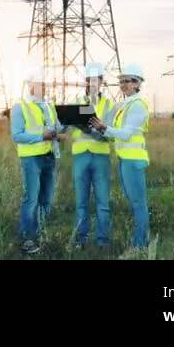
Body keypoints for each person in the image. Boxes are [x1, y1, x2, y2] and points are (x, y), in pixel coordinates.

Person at [90, 64, 151, 250]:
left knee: (138, 203)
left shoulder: (138, 105)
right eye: (121, 81)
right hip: (125, 159)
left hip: (133, 160)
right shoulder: (125, 104)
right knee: (134, 202)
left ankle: (140, 245)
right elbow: (112, 129)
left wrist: (104, 129)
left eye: (128, 81)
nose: (123, 84)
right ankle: (140, 241)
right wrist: (98, 127)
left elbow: (125, 134)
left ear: (137, 83)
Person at [11, 66, 64, 255]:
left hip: (49, 156)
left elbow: (57, 126)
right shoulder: (20, 106)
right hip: (31, 158)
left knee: (46, 199)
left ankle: (41, 233)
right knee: (31, 199)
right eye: (38, 84)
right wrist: (43, 136)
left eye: (44, 84)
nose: (42, 87)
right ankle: (27, 238)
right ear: (30, 86)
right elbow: (17, 135)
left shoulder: (49, 106)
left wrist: (75, 119)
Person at [71, 63, 115, 249]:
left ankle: (103, 241)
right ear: (86, 82)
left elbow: (111, 133)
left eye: (96, 80)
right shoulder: (77, 102)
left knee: (102, 202)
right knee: (81, 202)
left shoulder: (109, 105)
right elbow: (67, 125)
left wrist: (95, 131)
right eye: (90, 80)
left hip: (100, 157)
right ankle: (80, 240)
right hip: (80, 156)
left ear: (102, 82)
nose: (93, 83)